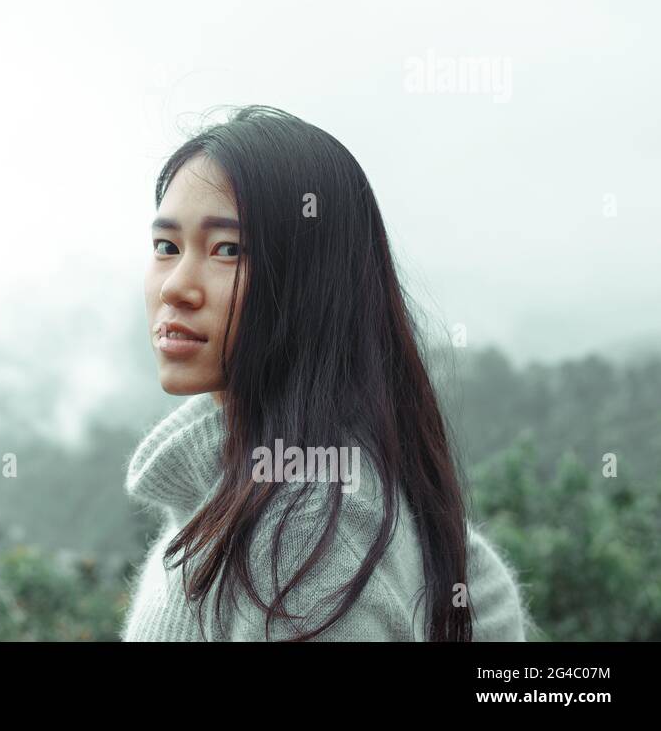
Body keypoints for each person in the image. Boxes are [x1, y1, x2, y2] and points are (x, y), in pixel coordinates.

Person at [122, 105, 530, 641]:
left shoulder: (311, 527)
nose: (175, 286)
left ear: (312, 281)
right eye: (166, 247)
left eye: (228, 250)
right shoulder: (271, 492)